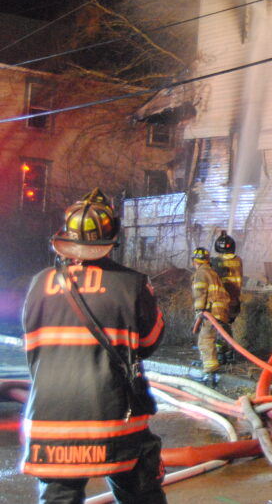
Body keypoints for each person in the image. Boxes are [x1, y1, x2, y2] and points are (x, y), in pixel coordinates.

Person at [21, 189, 166, 504]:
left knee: (58, 498)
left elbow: (33, 348)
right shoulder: (132, 284)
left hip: (50, 420)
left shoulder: (38, 284)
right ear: (112, 238)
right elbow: (149, 343)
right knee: (140, 492)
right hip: (115, 418)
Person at [190, 247, 230, 386]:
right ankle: (217, 360)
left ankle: (210, 371)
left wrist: (199, 310)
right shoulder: (212, 272)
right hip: (220, 309)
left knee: (205, 339)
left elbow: (200, 292)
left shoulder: (201, 273)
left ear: (194, 261)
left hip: (211, 310)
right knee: (213, 338)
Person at [210, 231, 243, 364]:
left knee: (219, 328)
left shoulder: (217, 261)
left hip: (221, 300)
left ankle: (222, 354)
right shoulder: (238, 260)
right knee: (226, 326)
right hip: (234, 300)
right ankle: (229, 353)